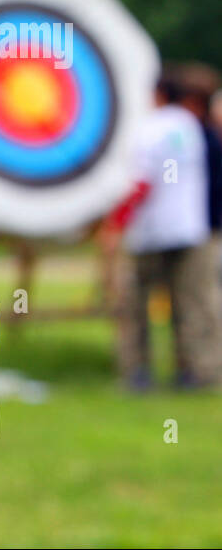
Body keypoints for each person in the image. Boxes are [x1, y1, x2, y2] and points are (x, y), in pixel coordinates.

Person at [103, 67, 221, 391]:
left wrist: (115, 223)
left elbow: (142, 182)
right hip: (191, 229)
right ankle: (196, 372)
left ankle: (138, 373)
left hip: (150, 232)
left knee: (135, 305)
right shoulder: (192, 126)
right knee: (193, 304)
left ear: (157, 95)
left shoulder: (152, 128)